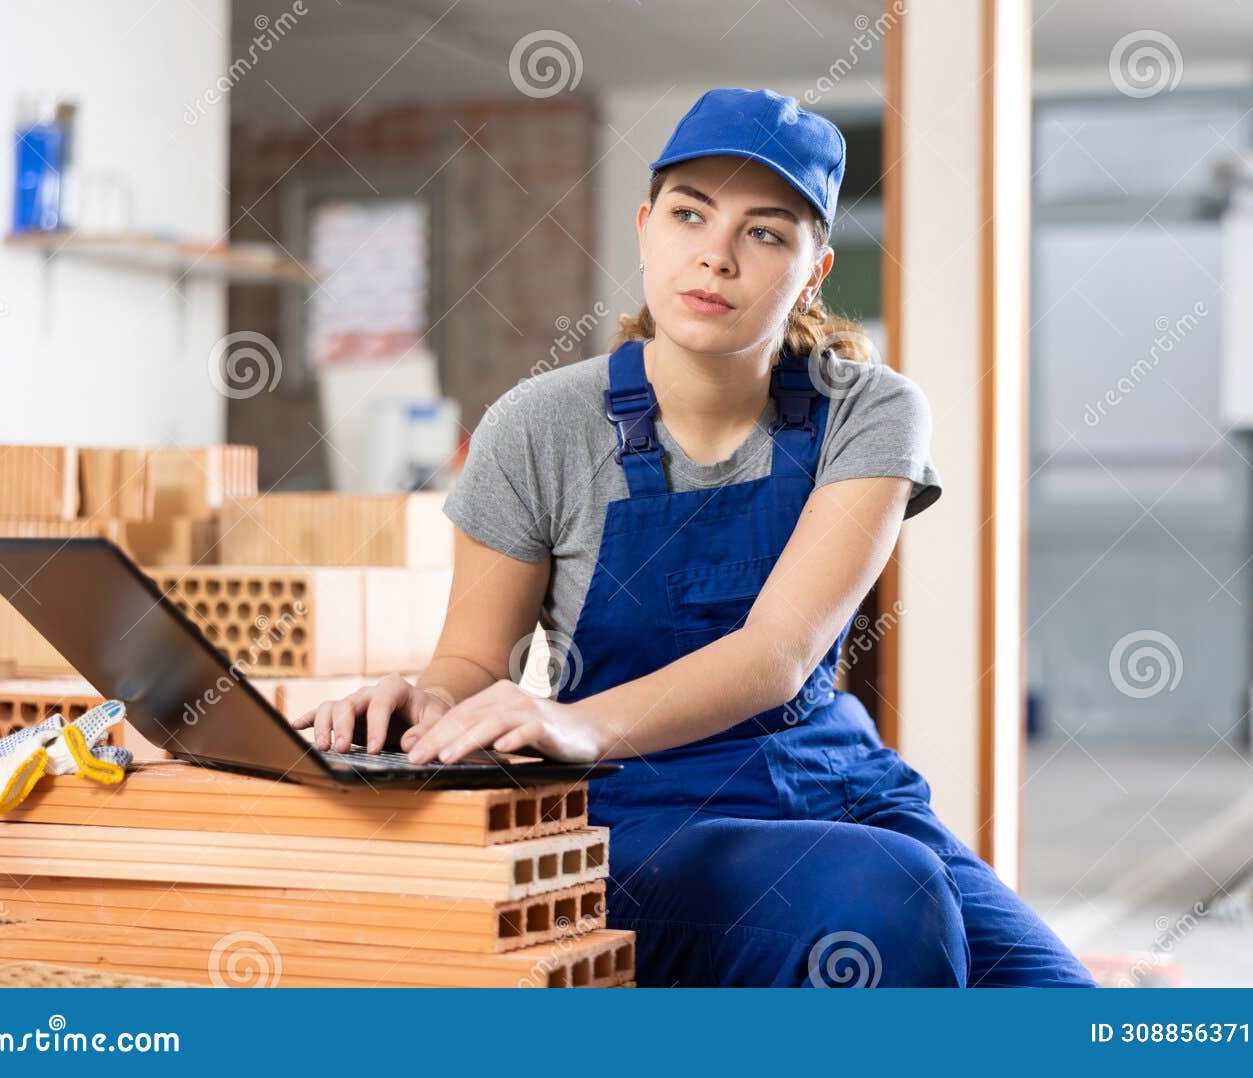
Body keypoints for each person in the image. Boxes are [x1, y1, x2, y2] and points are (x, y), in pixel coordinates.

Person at [295, 87, 1095, 989]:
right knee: (879, 905)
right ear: (646, 228)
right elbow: (473, 664)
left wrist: (572, 721)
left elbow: (779, 654)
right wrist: (422, 701)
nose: (714, 255)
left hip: (836, 783)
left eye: (764, 232)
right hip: (635, 804)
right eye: (689, 215)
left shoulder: (869, 413)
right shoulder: (537, 425)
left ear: (814, 269)